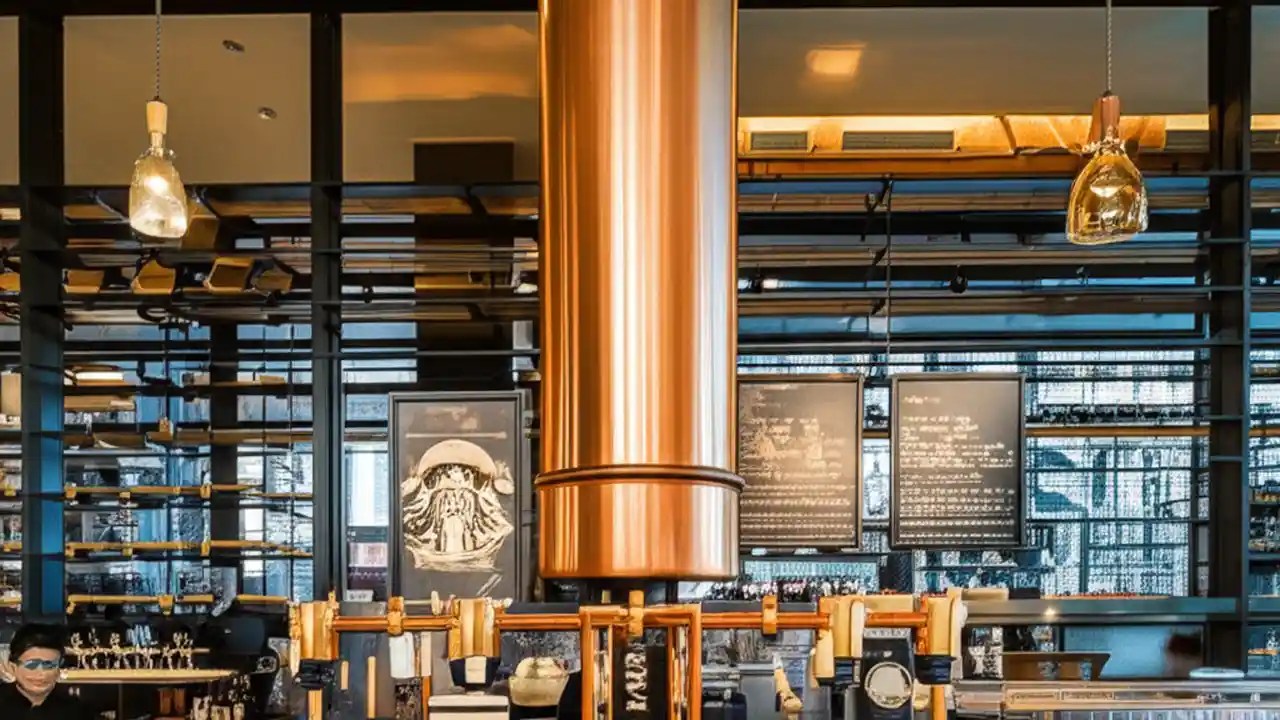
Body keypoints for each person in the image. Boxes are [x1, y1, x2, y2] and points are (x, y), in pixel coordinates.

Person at [0, 623, 91, 718]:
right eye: (32, 665)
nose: (41, 674)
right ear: (13, 667)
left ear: (59, 669)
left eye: (49, 665)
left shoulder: (77, 711)